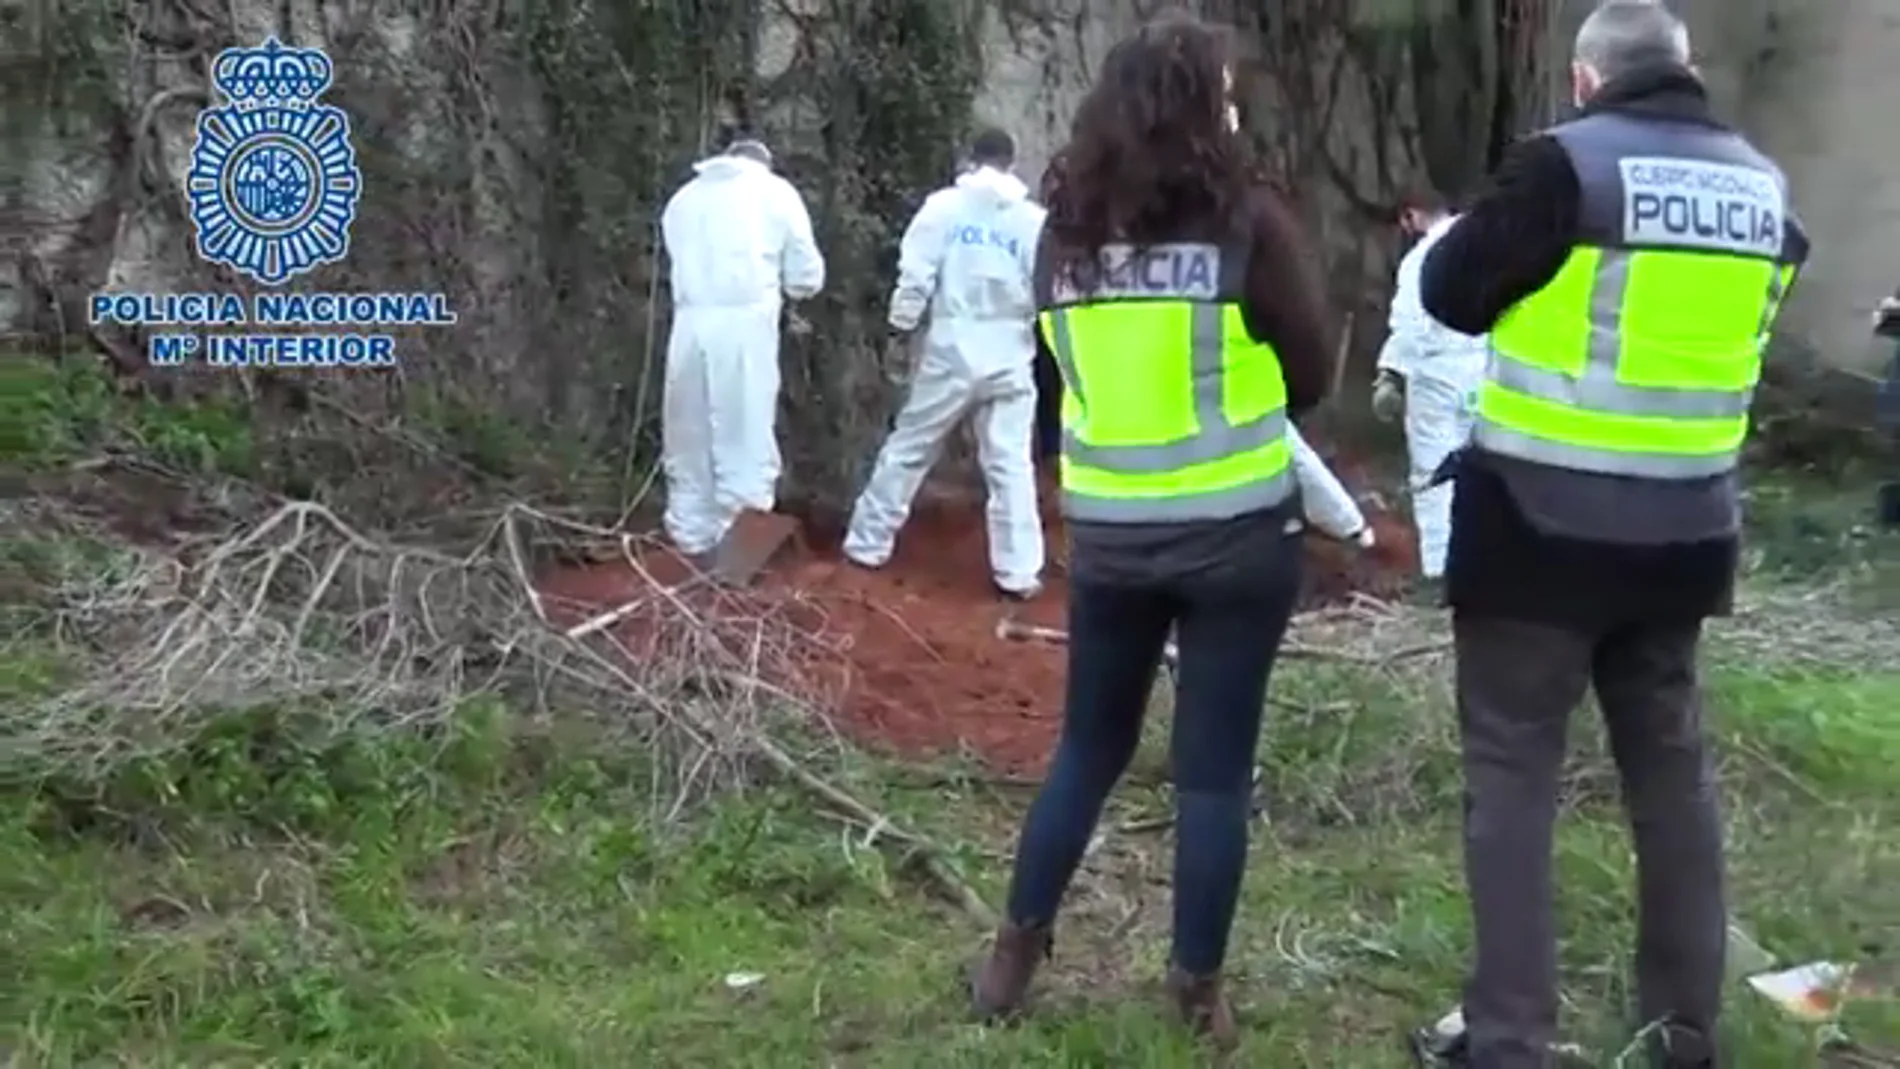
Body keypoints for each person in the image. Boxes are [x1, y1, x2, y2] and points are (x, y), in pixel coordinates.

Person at [1409, 4, 1810, 1067]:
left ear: (1587, 80)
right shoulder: (1764, 188)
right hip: (1684, 536)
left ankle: (1506, 1036)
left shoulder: (1562, 167)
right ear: (1683, 69)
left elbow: (1450, 296)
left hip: (1540, 529)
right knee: (1672, 783)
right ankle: (1682, 1029)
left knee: (1512, 779)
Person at [967, 13, 1336, 1050]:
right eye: (1225, 93)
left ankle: (1010, 961)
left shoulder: (1061, 236)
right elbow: (1313, 375)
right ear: (1201, 108)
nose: (1234, 108)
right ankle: (1194, 990)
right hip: (1236, 535)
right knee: (1213, 771)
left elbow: (1052, 384)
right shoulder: (1247, 225)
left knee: (1086, 745)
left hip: (1113, 535)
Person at [842, 128, 1048, 597]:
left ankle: (866, 545)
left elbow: (916, 274)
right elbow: (1047, 286)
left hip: (954, 343)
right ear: (1012, 164)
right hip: (1011, 349)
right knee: (1010, 463)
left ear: (970, 159)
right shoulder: (1032, 220)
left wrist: (902, 324)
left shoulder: (942, 208)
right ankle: (1018, 571)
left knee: (912, 445)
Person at [658, 135, 826, 570]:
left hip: (689, 324)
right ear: (764, 163)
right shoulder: (776, 193)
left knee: (689, 437)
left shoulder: (683, 198)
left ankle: (690, 547)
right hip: (745, 325)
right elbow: (807, 276)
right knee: (744, 434)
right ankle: (739, 563)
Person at [1372, 188, 1488, 583]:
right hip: (1488, 370)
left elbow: (1410, 325)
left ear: (1411, 217)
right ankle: (1482, 565)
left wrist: (1390, 376)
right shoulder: (1489, 244)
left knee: (1433, 472)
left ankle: (1440, 568)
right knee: (1484, 470)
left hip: (1436, 374)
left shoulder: (1421, 259)